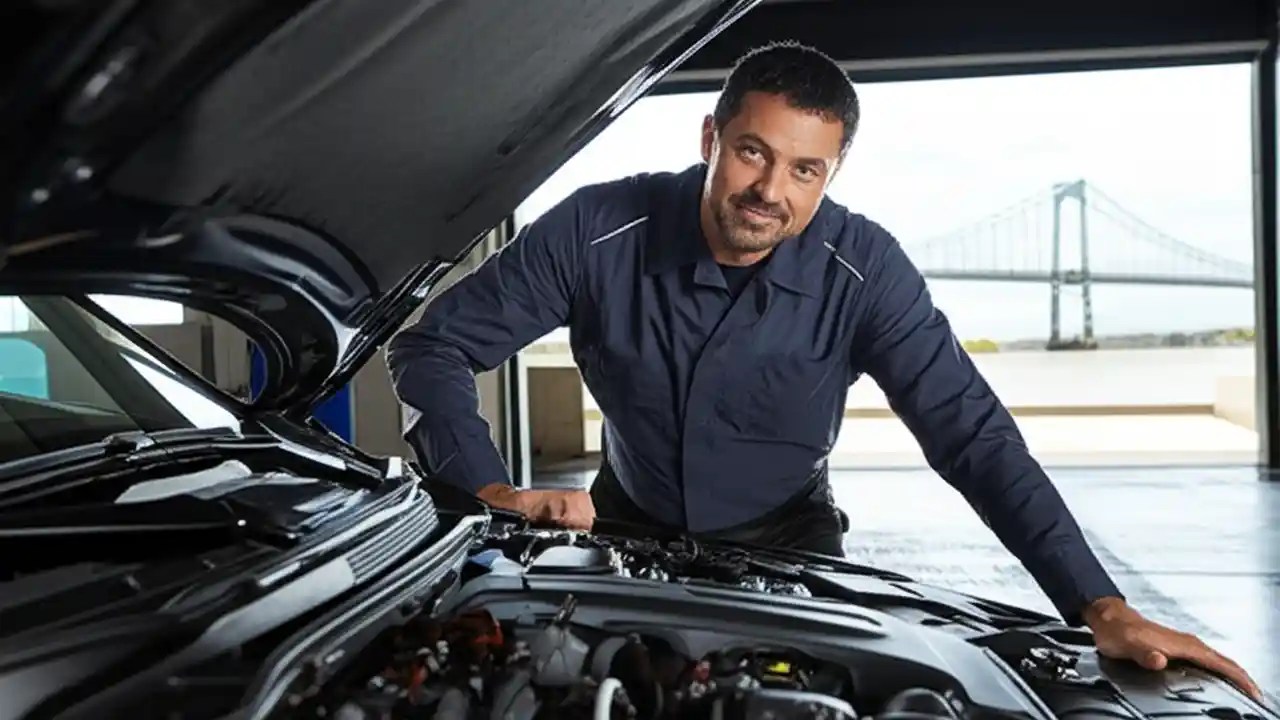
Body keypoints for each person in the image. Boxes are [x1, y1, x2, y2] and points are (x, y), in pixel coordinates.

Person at [387, 41, 1261, 699]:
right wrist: (487, 488)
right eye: (753, 152)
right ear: (711, 138)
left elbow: (971, 434)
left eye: (806, 169)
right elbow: (430, 345)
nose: (771, 189)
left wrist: (1098, 605)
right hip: (622, 534)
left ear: (831, 173)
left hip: (794, 545)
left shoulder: (868, 270)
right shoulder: (596, 228)